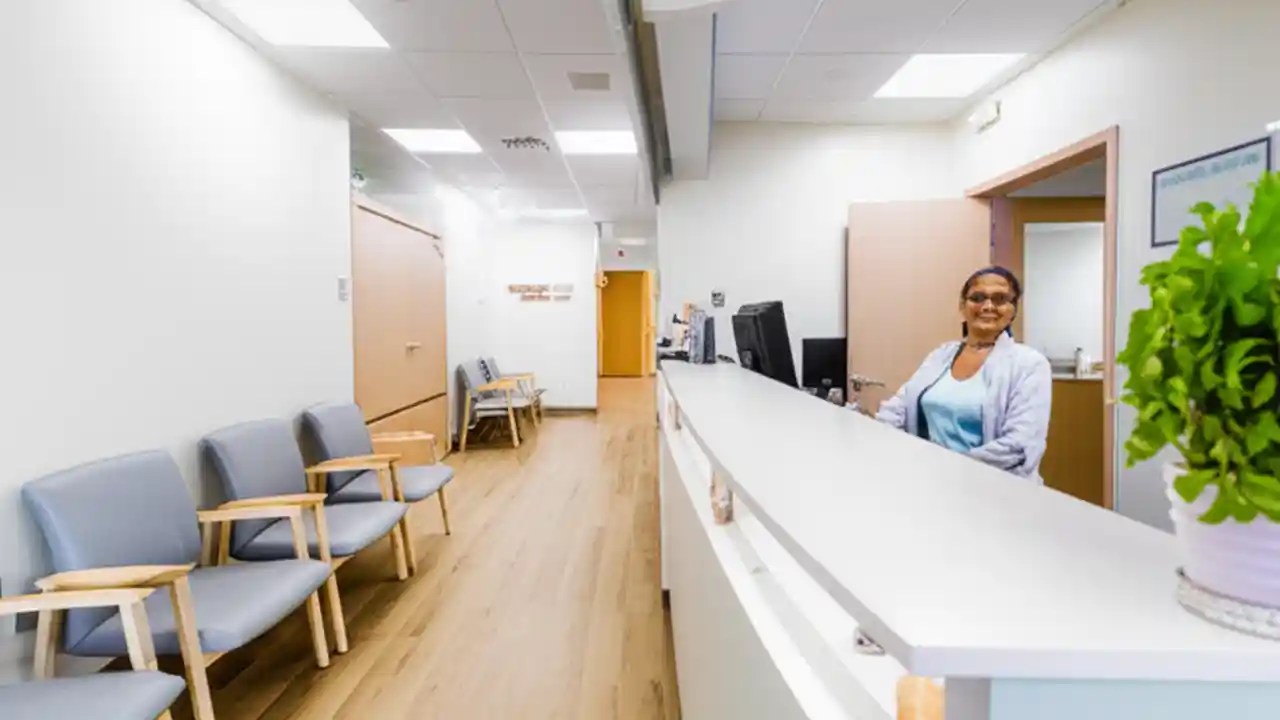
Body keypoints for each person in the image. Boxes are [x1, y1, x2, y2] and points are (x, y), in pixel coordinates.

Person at [876, 266, 1051, 481]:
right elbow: (896, 411)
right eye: (978, 297)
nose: (988, 306)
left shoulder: (1029, 364)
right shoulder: (941, 355)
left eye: (1000, 299)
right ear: (962, 306)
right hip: (929, 482)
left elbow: (1019, 445)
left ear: (1013, 310)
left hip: (995, 490)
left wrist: (947, 469)